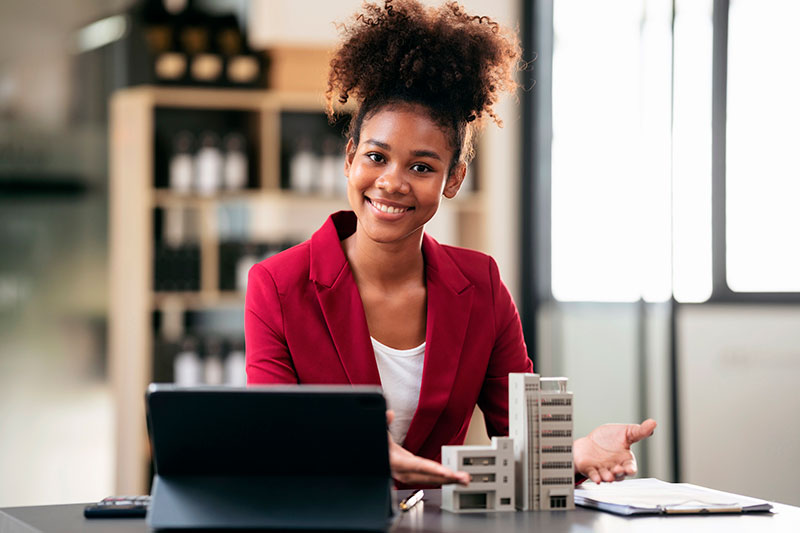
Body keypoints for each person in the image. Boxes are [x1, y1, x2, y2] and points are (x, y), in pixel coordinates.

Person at [245, 0, 656, 487]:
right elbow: (271, 438)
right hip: (327, 517)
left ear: (454, 178)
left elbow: (524, 440)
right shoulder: (277, 284)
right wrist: (355, 453)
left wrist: (580, 450)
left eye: (421, 167)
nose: (392, 183)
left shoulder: (480, 284)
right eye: (376, 156)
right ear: (350, 158)